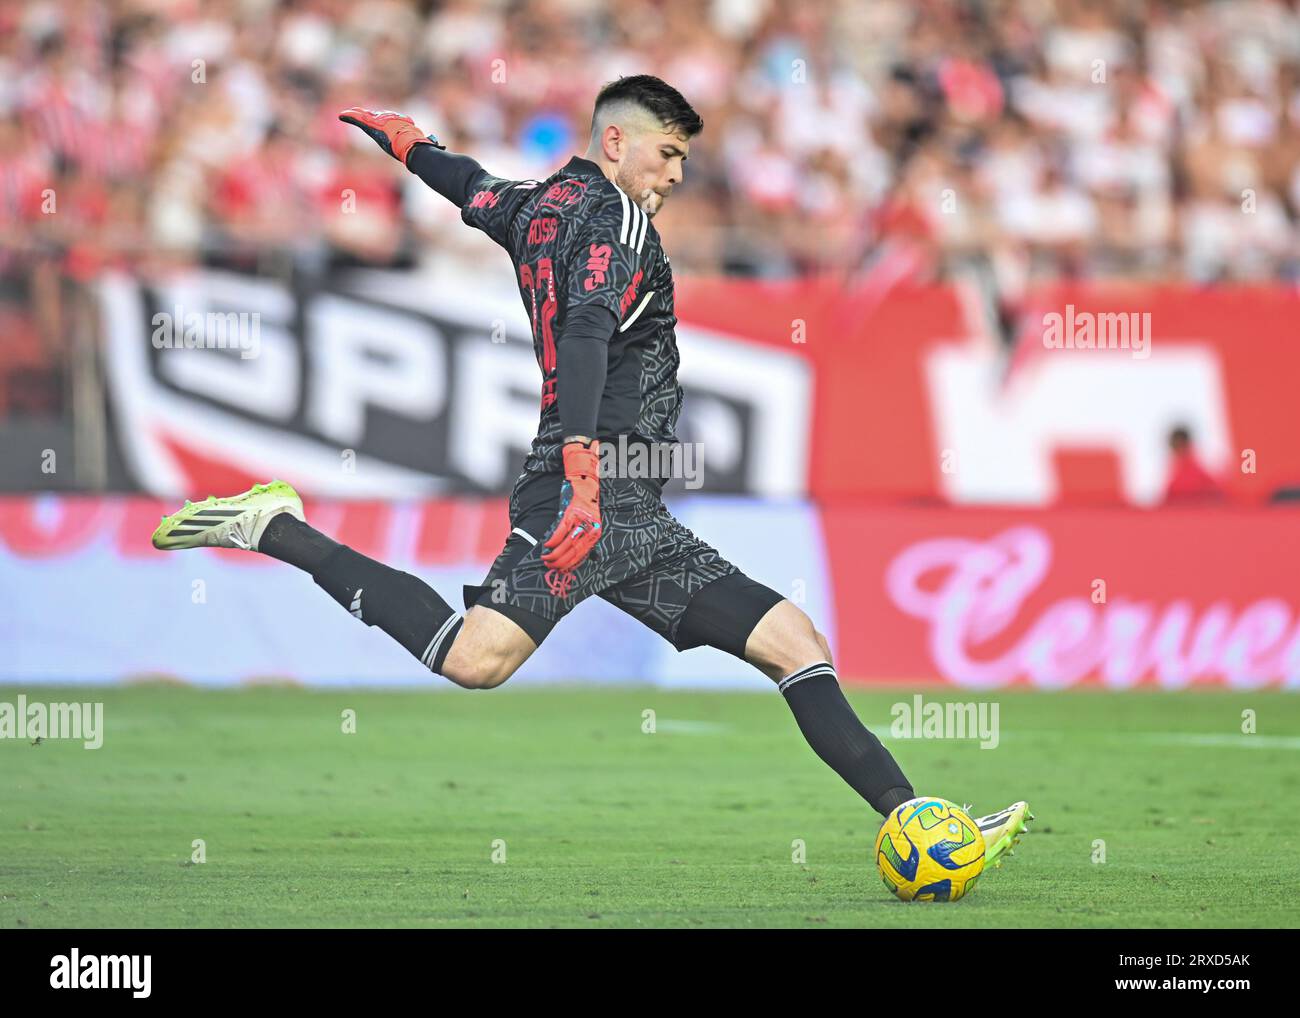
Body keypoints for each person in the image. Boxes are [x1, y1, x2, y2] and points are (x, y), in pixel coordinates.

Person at [151, 74, 1030, 865]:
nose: (676, 174)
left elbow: (468, 186)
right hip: (590, 492)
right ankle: (276, 527)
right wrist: (578, 475)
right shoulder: (619, 220)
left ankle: (917, 819)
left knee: (795, 643)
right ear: (617, 142)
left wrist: (407, 141)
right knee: (475, 661)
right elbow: (582, 332)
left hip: (630, 506)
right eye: (668, 152)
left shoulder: (534, 203)